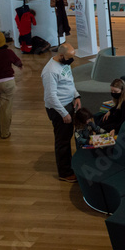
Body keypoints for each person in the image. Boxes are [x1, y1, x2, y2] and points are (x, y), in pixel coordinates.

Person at [42, 43, 81, 182]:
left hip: (68, 104)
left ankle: (70, 166)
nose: (72, 60)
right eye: (70, 57)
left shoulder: (65, 62)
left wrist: (76, 96)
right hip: (59, 109)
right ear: (60, 55)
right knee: (62, 141)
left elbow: (69, 81)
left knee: (68, 136)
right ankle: (65, 173)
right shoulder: (50, 71)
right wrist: (64, 113)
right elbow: (51, 97)